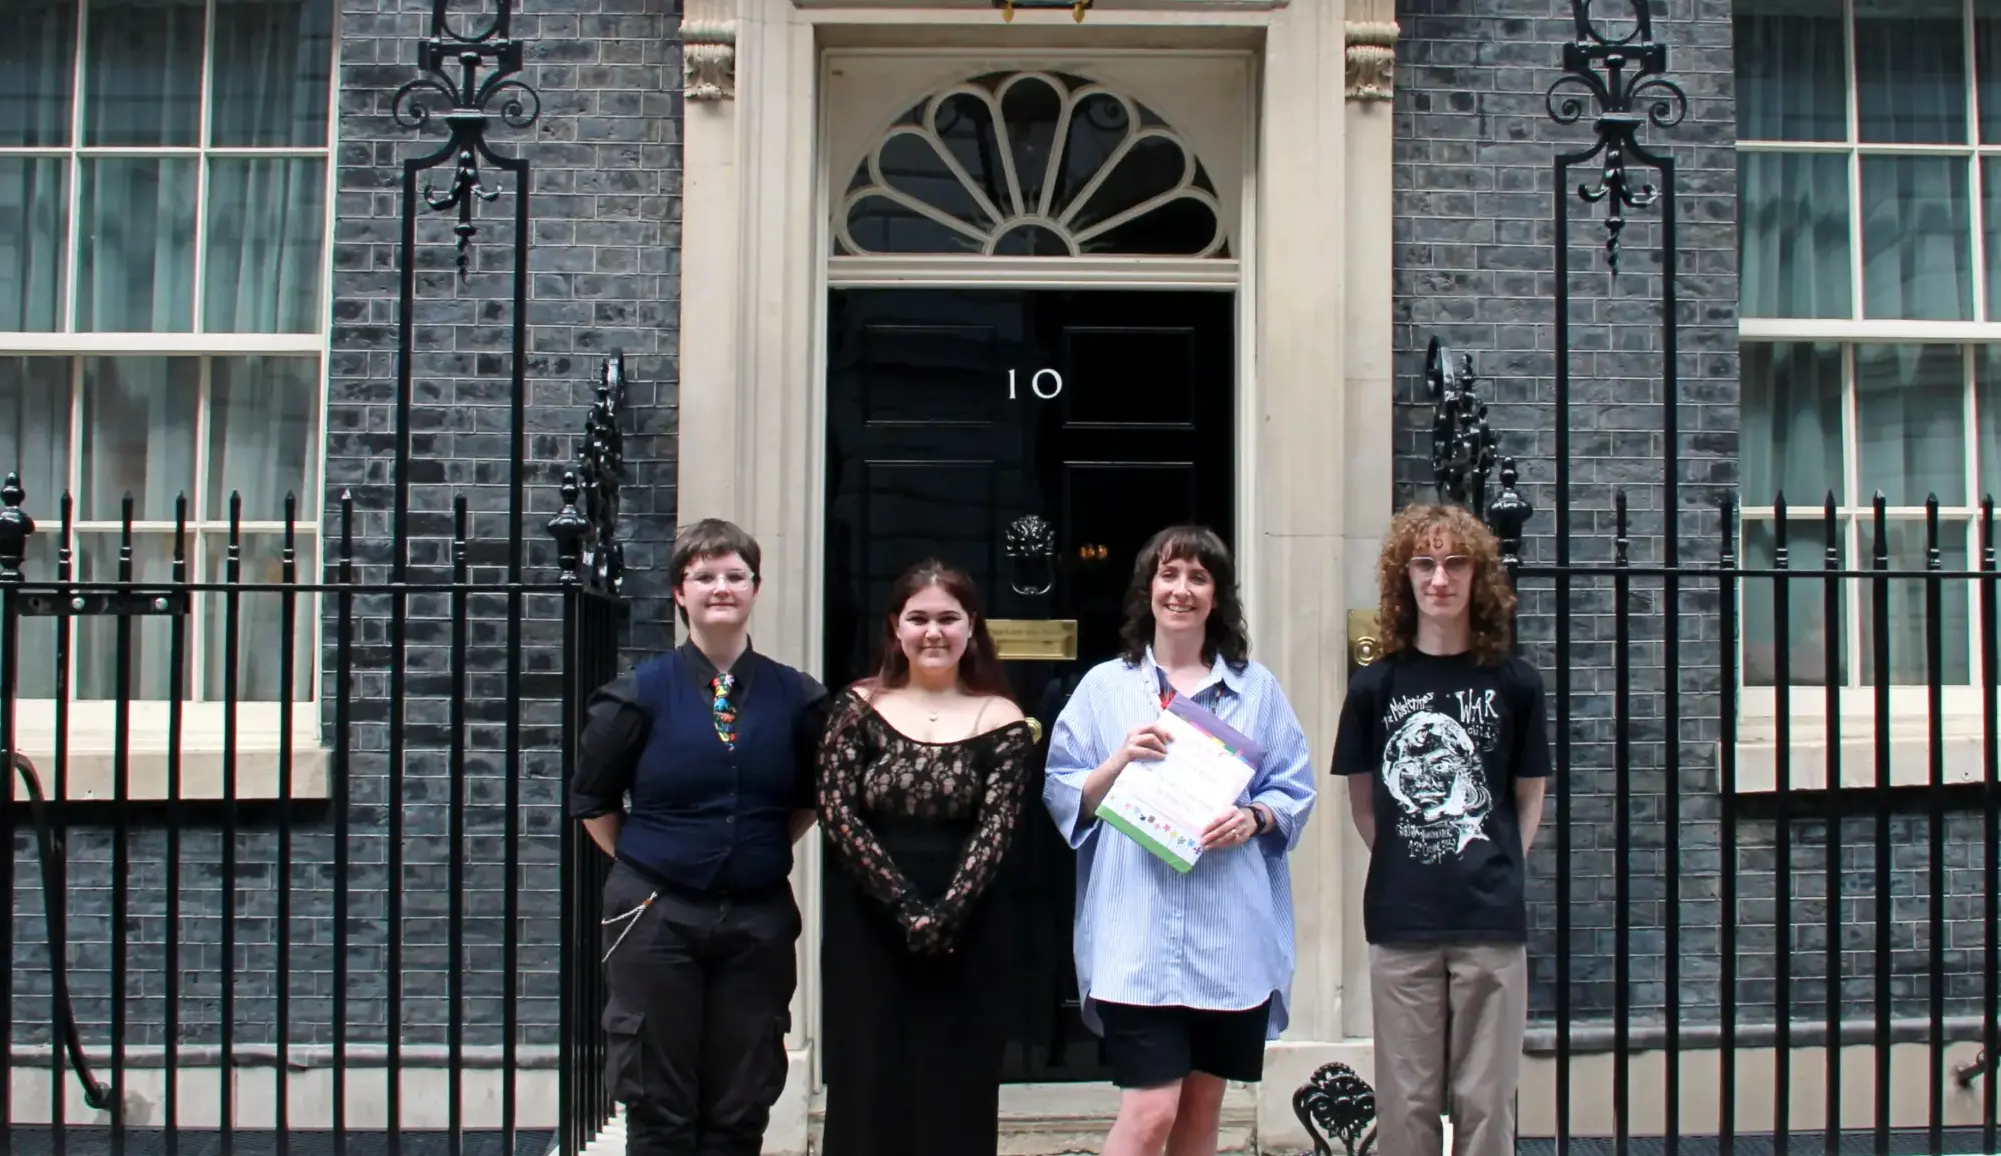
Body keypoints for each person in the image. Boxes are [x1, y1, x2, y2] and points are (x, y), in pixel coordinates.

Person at [1042, 525, 1316, 1156]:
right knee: (1150, 1113)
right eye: (1169, 575)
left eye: (1198, 577)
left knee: (1199, 1111)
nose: (1182, 590)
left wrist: (1256, 819)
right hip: (1136, 941)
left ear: (1217, 596)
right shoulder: (1104, 690)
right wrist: (1117, 762)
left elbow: (1293, 787)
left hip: (1228, 942)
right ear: (1149, 588)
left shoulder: (1257, 691)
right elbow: (1063, 791)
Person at [567, 518, 829, 1156]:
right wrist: (654, 866)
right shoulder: (637, 696)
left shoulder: (798, 699)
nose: (721, 587)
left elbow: (809, 799)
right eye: (704, 576)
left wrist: (747, 850)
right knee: (658, 1097)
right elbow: (593, 802)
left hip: (757, 917)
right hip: (657, 913)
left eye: (735, 575)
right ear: (679, 593)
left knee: (742, 1096)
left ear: (755, 589)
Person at [1330, 503, 1552, 1156]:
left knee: (1487, 1107)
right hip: (1402, 923)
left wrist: (1491, 864)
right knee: (1406, 1107)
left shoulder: (1516, 683)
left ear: (1476, 576)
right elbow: (1365, 805)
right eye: (1423, 564)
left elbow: (1526, 799)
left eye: (1455, 563)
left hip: (1490, 922)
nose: (1438, 579)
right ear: (1403, 578)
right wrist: (1414, 859)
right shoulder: (1374, 687)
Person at [815, 560, 1038, 1156]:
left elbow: (997, 832)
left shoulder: (1003, 719)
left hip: (969, 930)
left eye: (948, 618)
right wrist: (907, 907)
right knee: (868, 1077)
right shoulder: (856, 708)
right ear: (895, 627)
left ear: (972, 627)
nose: (933, 632)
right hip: (868, 921)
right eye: (918, 618)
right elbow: (837, 815)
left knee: (954, 1084)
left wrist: (944, 915)